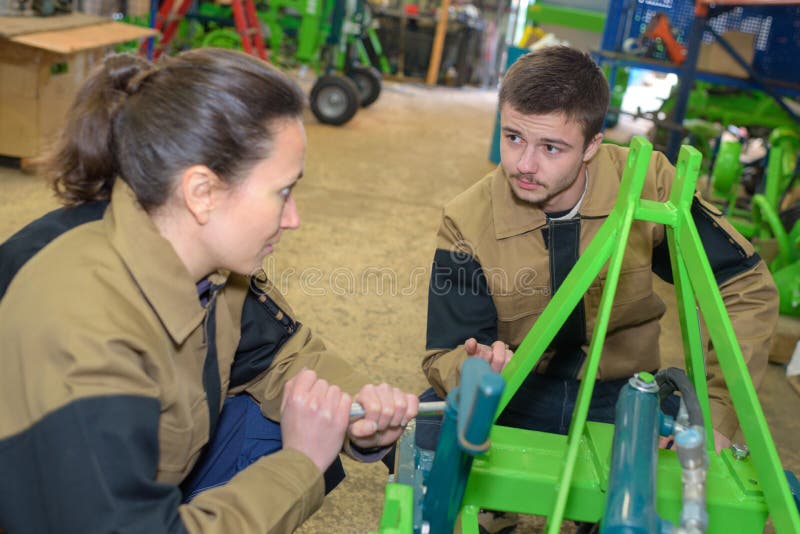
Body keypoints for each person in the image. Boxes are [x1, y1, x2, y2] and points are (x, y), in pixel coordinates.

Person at [0, 48, 418, 533]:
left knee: (289, 414)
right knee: (293, 443)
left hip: (142, 472)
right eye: (283, 192)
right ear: (202, 192)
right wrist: (300, 464)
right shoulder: (79, 325)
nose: (295, 218)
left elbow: (279, 356)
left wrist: (359, 411)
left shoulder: (203, 262)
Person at [418, 46, 778, 457]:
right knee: (419, 443)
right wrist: (474, 368)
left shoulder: (649, 186)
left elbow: (746, 288)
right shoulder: (466, 221)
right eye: (513, 137)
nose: (524, 164)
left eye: (551, 147)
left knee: (702, 482)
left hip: (625, 394)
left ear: (592, 146)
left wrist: (717, 415)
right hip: (516, 389)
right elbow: (444, 353)